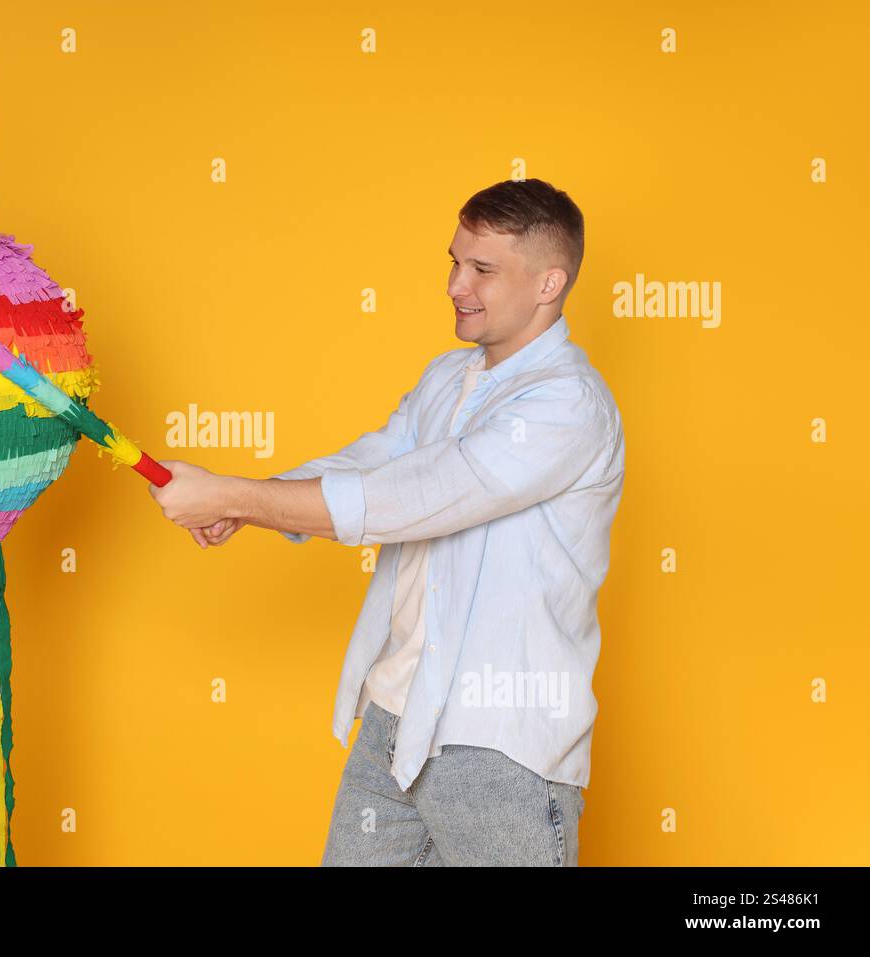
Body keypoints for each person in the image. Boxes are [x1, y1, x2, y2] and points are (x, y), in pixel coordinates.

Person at [148, 178, 625, 866]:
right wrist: (245, 499)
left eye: (483, 269)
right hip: (396, 722)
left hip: (500, 746)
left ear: (549, 283)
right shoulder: (446, 377)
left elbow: (416, 494)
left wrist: (238, 496)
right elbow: (376, 459)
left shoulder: (569, 405)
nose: (457, 284)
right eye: (455, 261)